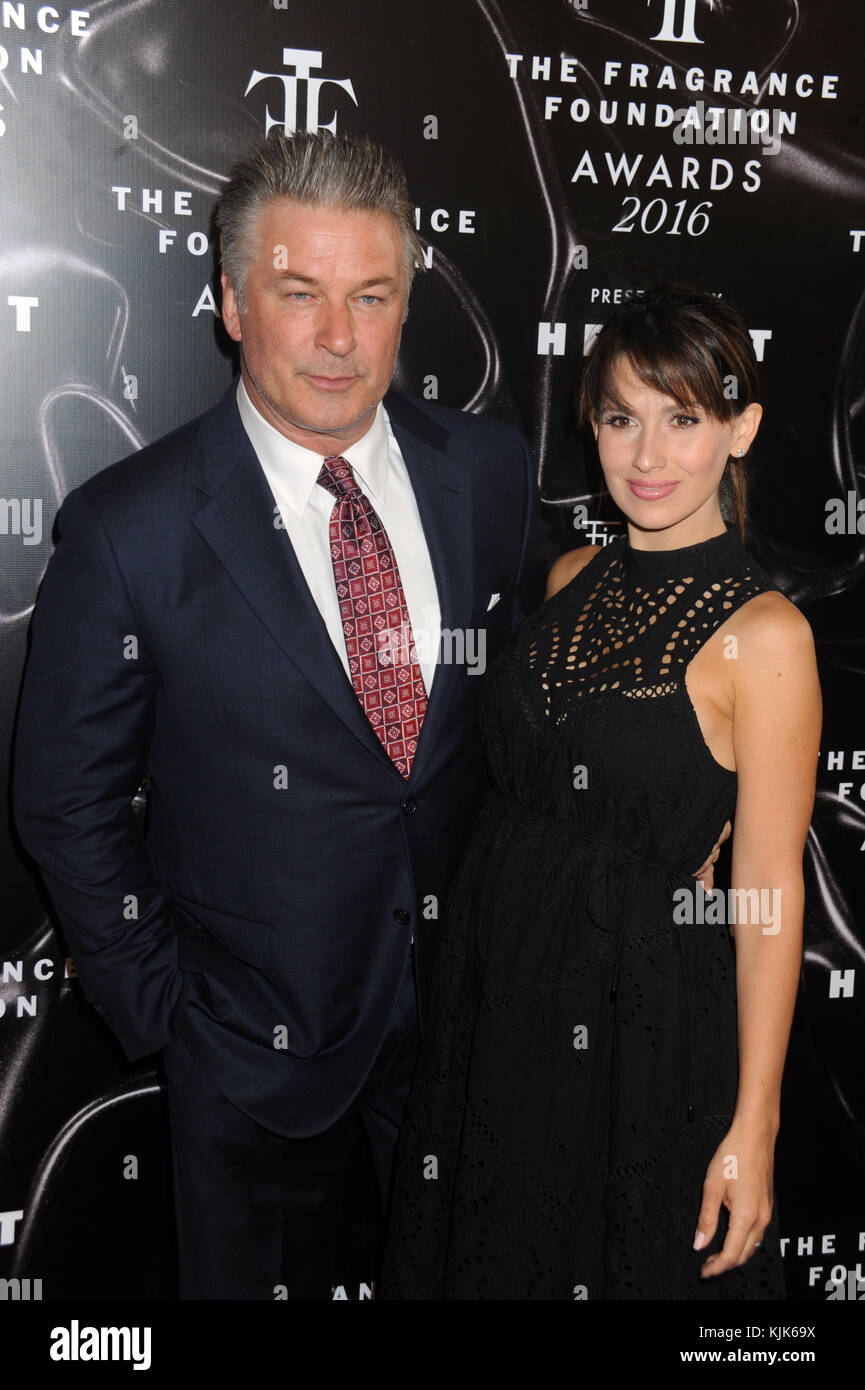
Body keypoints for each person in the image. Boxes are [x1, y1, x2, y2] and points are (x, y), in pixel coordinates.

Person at [11, 130, 558, 1300]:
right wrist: (170, 1015)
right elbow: (66, 798)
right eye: (298, 292)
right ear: (228, 300)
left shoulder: (492, 471)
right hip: (251, 1057)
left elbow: (518, 716)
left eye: (372, 297)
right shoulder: (132, 529)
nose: (338, 338)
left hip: (471, 1039)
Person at [380, 283, 821, 1300]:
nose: (648, 456)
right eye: (622, 418)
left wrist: (755, 1122)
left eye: (684, 419)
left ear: (739, 428)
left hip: (640, 1021)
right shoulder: (568, 575)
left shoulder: (768, 639)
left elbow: (764, 900)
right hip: (495, 996)